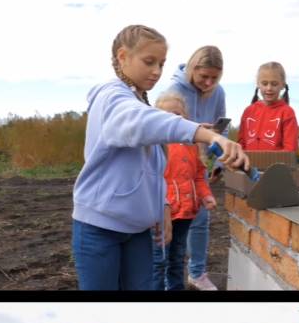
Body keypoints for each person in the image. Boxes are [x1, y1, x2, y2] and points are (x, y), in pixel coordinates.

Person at [72, 27, 247, 291]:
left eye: (162, 64)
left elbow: (154, 167)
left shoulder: (138, 98)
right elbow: (142, 121)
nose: (157, 71)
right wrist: (209, 136)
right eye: (149, 62)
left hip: (140, 230)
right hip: (100, 227)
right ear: (122, 56)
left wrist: (162, 206)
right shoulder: (112, 97)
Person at [167, 46, 227, 291]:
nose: (209, 82)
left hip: (200, 163)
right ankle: (168, 277)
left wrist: (220, 161)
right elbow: (164, 130)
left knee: (201, 219)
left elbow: (219, 131)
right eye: (204, 77)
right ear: (193, 69)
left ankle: (197, 274)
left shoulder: (218, 92)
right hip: (174, 167)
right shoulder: (174, 92)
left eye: (215, 78)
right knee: (175, 223)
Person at [152, 92, 216, 292]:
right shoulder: (155, 146)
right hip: (164, 214)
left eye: (177, 114)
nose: (173, 119)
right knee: (160, 258)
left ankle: (175, 287)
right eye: (167, 115)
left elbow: (198, 175)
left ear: (185, 118)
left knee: (178, 256)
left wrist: (206, 195)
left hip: (187, 212)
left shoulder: (191, 145)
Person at [238, 63, 299, 152]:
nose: (269, 88)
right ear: (258, 84)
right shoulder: (248, 111)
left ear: (282, 85)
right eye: (264, 83)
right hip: (249, 165)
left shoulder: (287, 112)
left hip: (277, 165)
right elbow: (241, 143)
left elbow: (290, 148)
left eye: (274, 84)